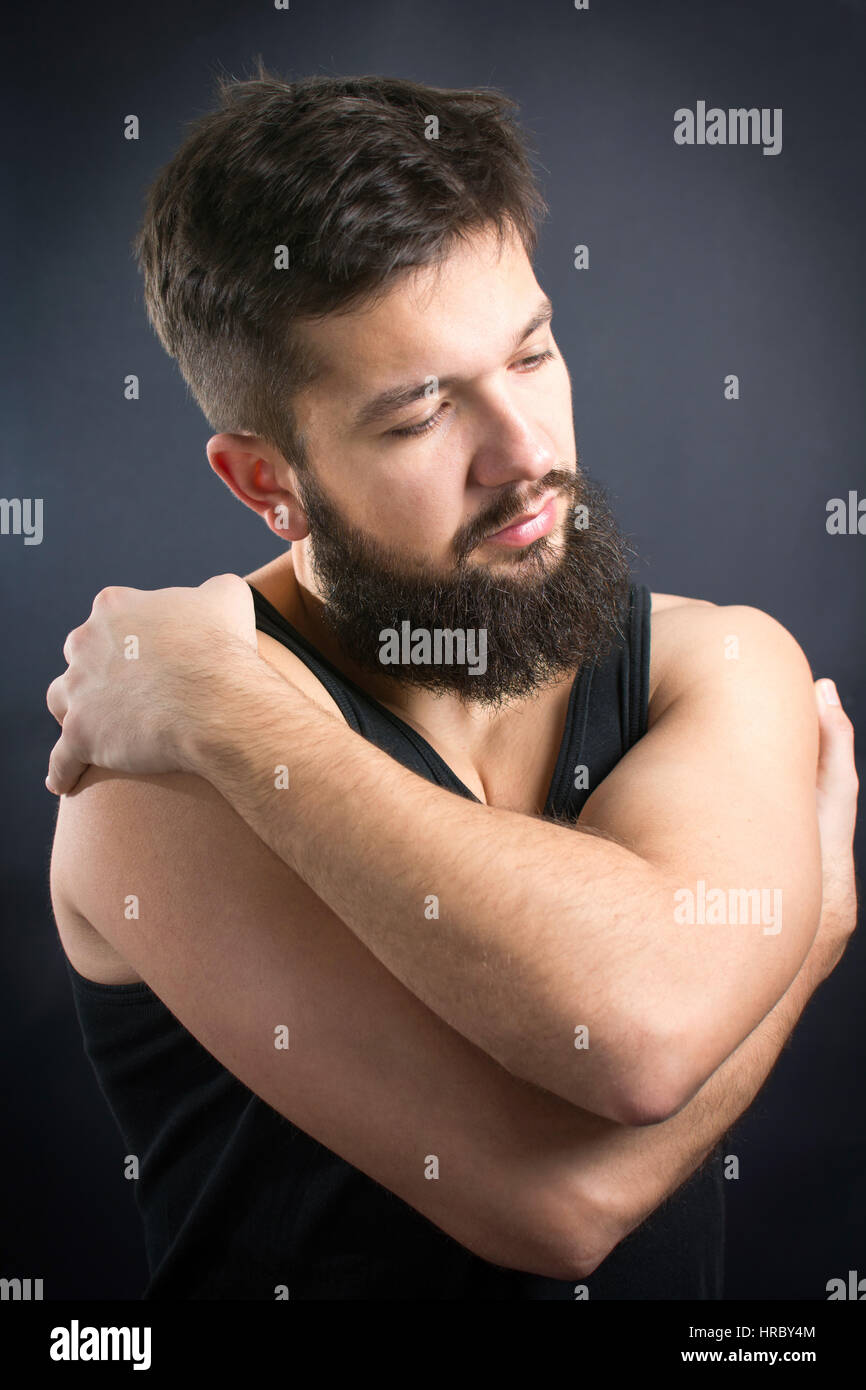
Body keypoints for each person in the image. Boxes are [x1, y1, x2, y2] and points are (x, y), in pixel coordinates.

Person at [45, 68, 858, 1300]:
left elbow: (649, 1013)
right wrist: (808, 943)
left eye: (531, 355)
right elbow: (561, 1202)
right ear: (267, 482)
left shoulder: (715, 660)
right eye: (422, 412)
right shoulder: (149, 766)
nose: (528, 455)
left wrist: (221, 710)